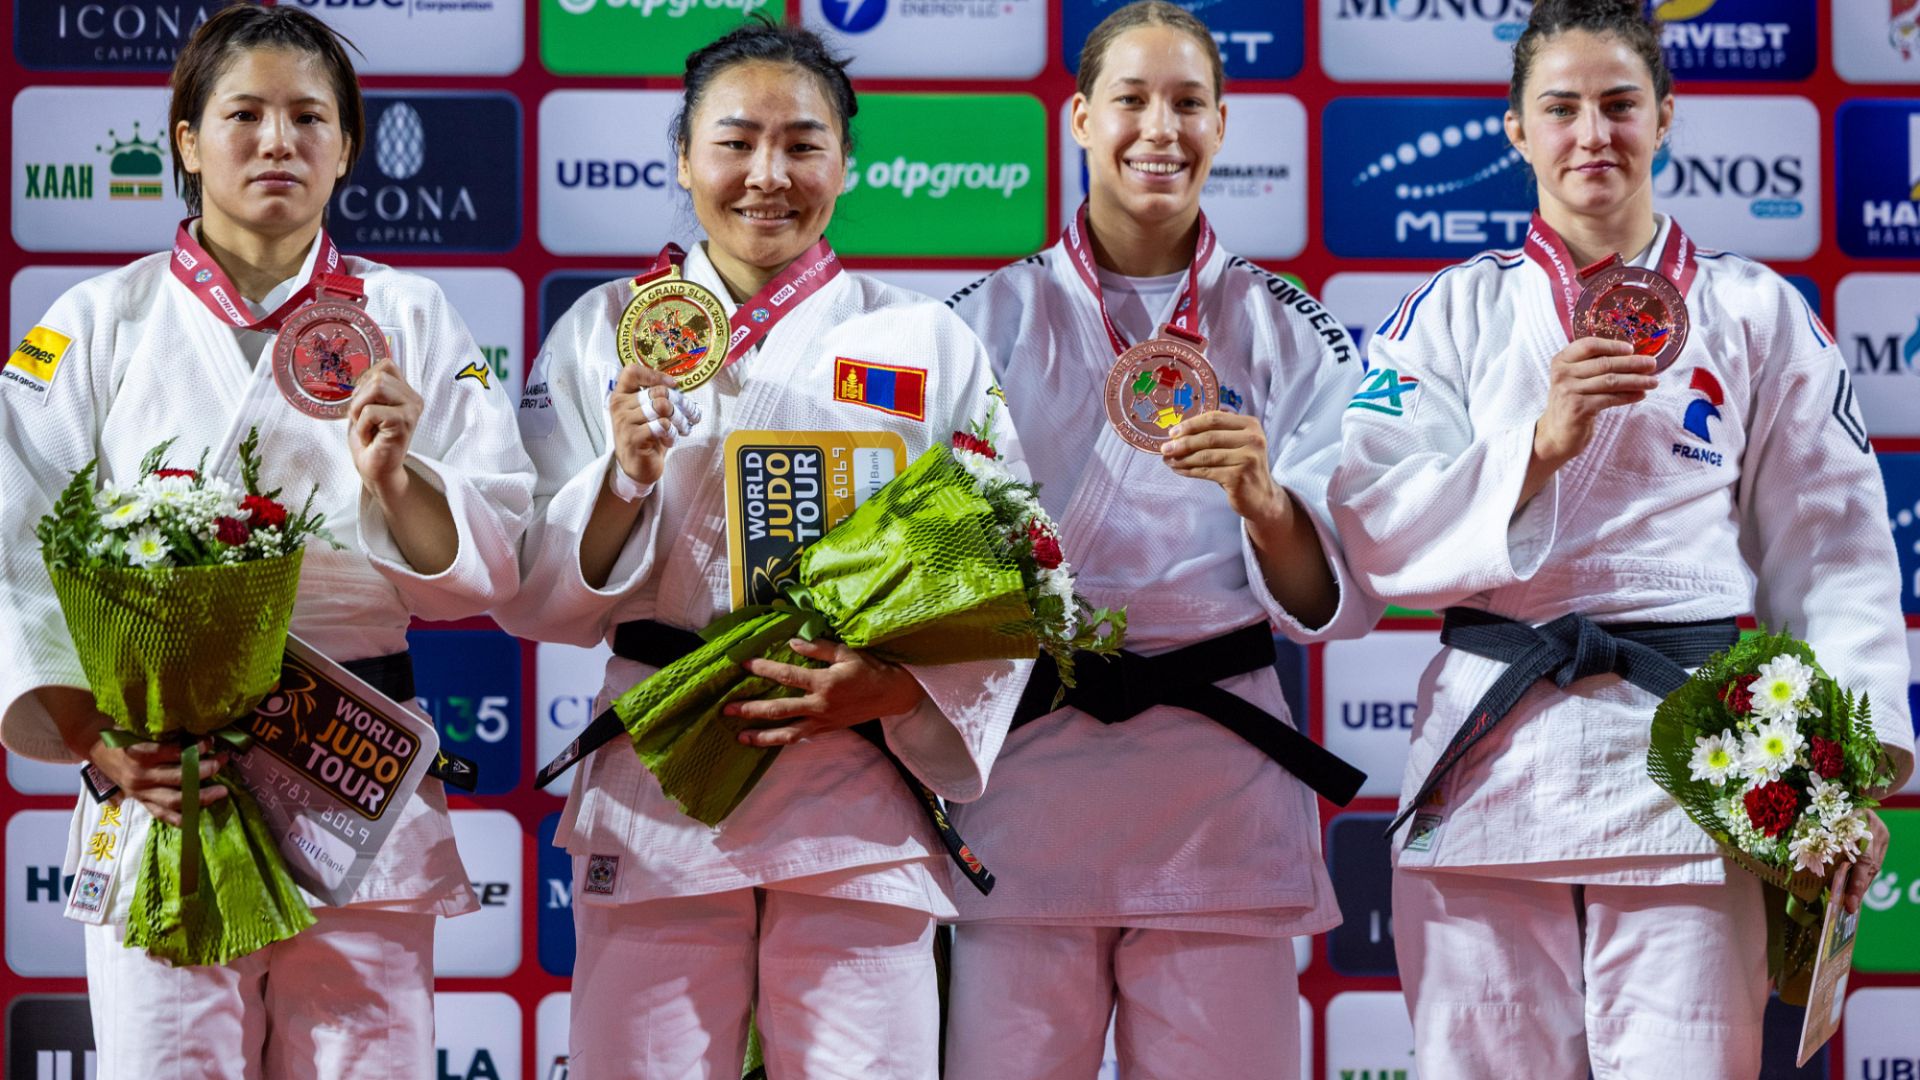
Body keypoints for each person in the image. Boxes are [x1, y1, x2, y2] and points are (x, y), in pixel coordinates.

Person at [1329, 2, 1914, 1076]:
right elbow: (1372, 519)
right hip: (1492, 760)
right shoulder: (1451, 313)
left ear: (1665, 116)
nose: (1592, 134)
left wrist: (1848, 772)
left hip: (1692, 767)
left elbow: (1834, 548)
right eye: (1561, 108)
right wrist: (1535, 449)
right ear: (1516, 129)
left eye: (1619, 104)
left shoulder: (1754, 311)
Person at [0, 5, 533, 1078]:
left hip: (351, 762)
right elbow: (15, 544)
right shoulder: (98, 321)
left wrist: (398, 480)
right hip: (166, 777)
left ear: (347, 146)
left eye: (309, 117)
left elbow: (496, 557)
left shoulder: (411, 315)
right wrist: (98, 740)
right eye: (244, 115)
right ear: (189, 143)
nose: (278, 141)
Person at [493, 20, 1025, 1080]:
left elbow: (1010, 568)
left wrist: (895, 690)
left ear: (847, 162)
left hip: (855, 790)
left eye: (802, 145)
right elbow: (532, 589)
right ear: (683, 157)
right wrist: (625, 476)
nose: (768, 176)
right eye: (736, 143)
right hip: (663, 781)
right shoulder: (608, 330)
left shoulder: (923, 339)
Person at [941, 4, 1378, 1076]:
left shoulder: (1287, 324)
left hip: (1214, 774)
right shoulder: (980, 321)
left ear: (1222, 125)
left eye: (1188, 103)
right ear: (1081, 119)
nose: (1160, 128)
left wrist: (1267, 504)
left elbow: (1335, 596)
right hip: (1029, 771)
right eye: (1131, 100)